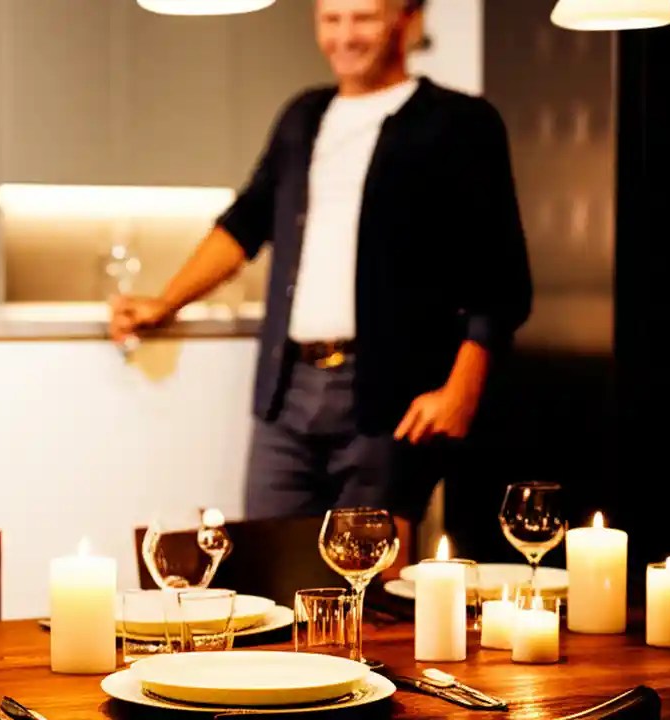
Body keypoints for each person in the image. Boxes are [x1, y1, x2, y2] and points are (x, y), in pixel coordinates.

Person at [109, 0, 532, 563]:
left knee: (371, 584)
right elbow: (244, 225)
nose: (344, 36)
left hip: (389, 397)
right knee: (268, 575)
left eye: (362, 18)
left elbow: (501, 273)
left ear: (407, 20)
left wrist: (462, 389)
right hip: (287, 392)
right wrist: (164, 302)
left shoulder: (461, 123)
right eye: (330, 20)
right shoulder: (303, 117)